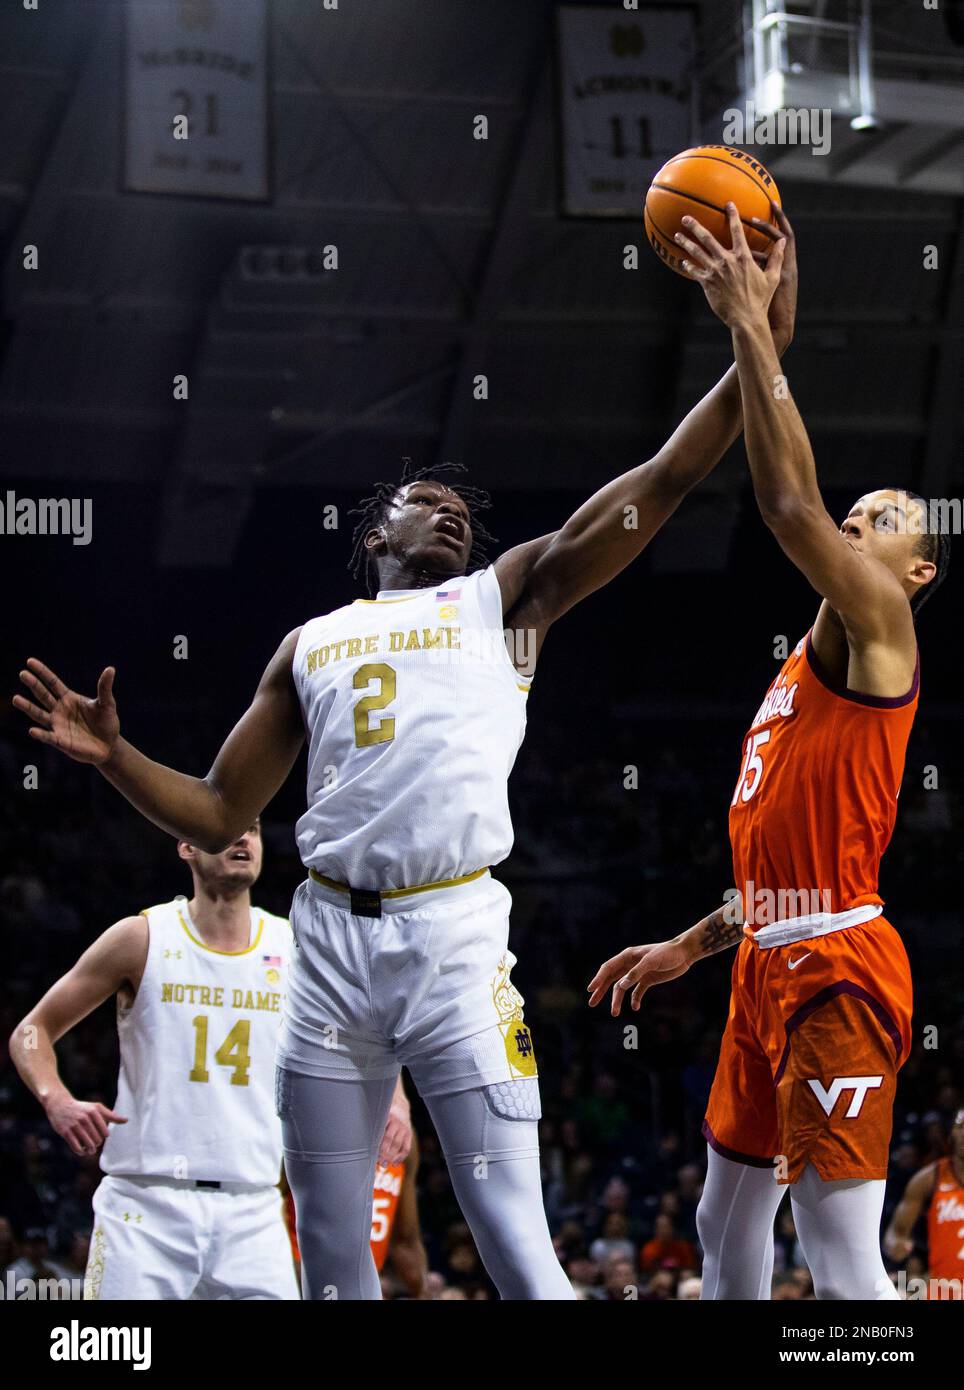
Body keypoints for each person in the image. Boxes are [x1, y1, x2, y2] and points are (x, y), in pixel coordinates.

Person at [11, 235, 797, 1299]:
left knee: (518, 1244)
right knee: (333, 1263)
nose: (452, 510)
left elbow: (659, 482)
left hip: (453, 939)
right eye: (429, 498)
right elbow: (216, 806)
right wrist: (113, 756)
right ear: (376, 533)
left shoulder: (505, 603)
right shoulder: (312, 641)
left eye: (463, 511)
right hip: (328, 944)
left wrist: (754, 329)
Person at [590, 204, 948, 1301]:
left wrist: (749, 323)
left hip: (839, 967)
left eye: (883, 517)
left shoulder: (884, 628)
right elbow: (773, 869)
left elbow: (787, 501)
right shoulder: (798, 668)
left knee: (839, 1255)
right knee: (720, 1210)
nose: (856, 519)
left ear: (917, 571)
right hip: (762, 960)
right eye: (859, 510)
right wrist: (688, 946)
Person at [9, 822, 302, 1299]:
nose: (243, 838)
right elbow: (31, 1030)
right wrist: (56, 1100)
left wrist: (393, 1099)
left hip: (254, 1210)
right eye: (228, 827)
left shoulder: (292, 947)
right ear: (186, 846)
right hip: (145, 1208)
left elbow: (356, 1033)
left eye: (252, 828)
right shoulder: (142, 937)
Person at [885, 1108, 964, 1298]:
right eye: (961, 1127)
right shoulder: (929, 1178)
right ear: (952, 1132)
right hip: (945, 1289)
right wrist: (896, 1245)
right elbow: (895, 1232)